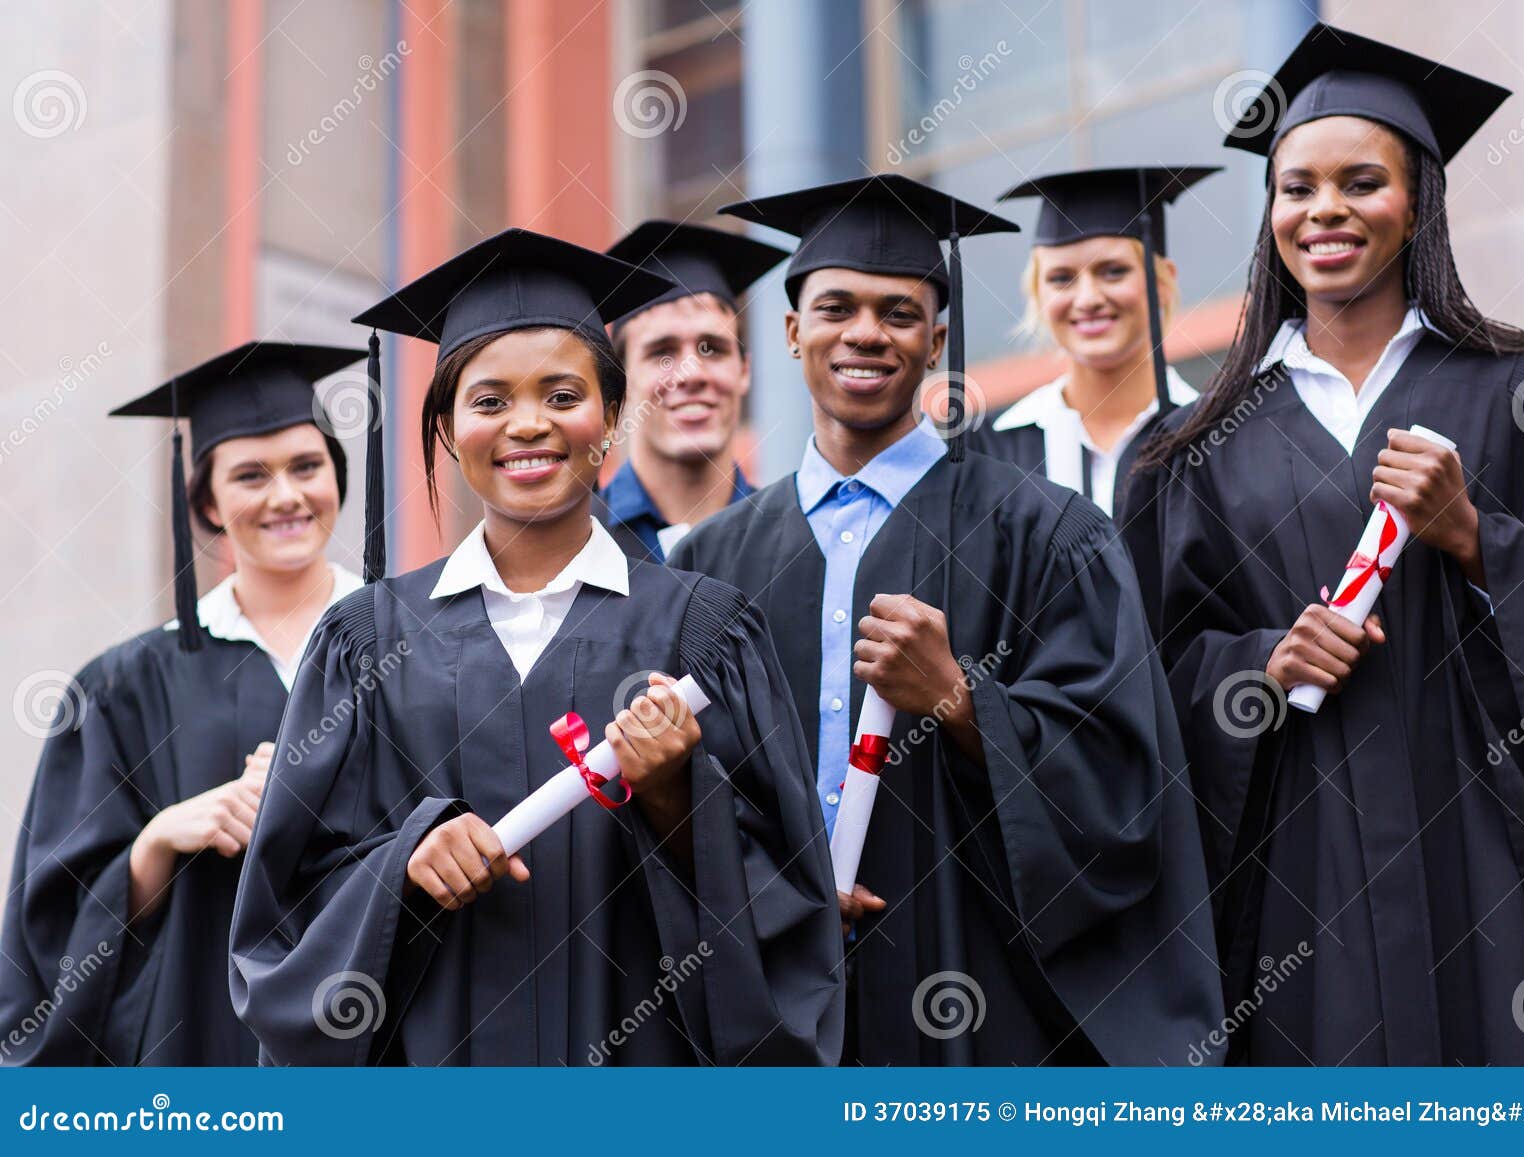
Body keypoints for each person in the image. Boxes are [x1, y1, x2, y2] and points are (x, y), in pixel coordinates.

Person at [228, 229, 843, 1066]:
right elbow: (283, 914)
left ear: (612, 415)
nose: (528, 424)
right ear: (448, 429)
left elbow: (793, 908)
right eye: (489, 402)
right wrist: (404, 861)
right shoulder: (364, 642)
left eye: (562, 394)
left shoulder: (706, 633)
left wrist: (676, 798)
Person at [673, 174, 1222, 1065]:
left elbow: (1122, 778)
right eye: (837, 308)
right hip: (779, 994)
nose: (865, 333)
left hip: (978, 981)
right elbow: (693, 787)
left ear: (935, 343)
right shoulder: (710, 563)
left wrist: (964, 703)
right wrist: (779, 895)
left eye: (898, 313)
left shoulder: (1048, 532)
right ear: (792, 331)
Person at [1134, 22, 1524, 1064]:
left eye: (1361, 182)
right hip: (1297, 878)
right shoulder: (1200, 447)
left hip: (1494, 858)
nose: (1325, 211)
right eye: (1296, 188)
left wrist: (1477, 540)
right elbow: (1154, 675)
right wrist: (1260, 665)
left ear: (1417, 203)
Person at [0, 342, 367, 1065]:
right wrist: (157, 840)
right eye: (250, 476)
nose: (286, 496)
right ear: (206, 502)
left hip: (384, 1040)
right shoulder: (125, 685)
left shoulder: (413, 643)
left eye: (306, 466)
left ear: (337, 475)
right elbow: (51, 924)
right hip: (204, 1050)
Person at [971, 166, 1214, 517]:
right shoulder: (989, 452)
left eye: (1113, 271)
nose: (1087, 299)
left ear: (1163, 282)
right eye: (1061, 278)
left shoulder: (1212, 435)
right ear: (1036, 292)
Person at [594, 220, 787, 561]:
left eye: (712, 348)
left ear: (744, 370)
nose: (691, 373)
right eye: (662, 353)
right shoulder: (579, 544)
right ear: (620, 382)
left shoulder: (790, 538)